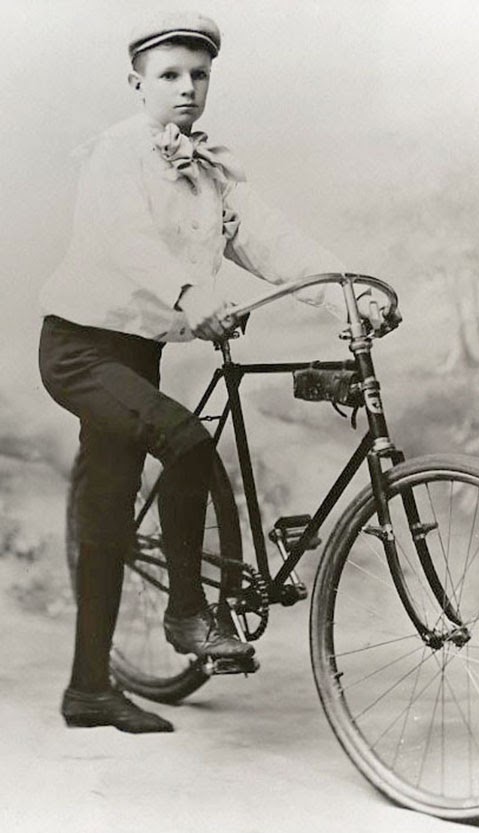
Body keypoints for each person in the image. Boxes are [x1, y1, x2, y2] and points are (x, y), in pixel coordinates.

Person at [38, 11, 368, 734]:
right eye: (170, 75)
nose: (187, 88)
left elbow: (275, 241)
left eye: (199, 74)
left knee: (110, 513)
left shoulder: (212, 170)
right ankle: (189, 610)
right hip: (80, 349)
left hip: (137, 353)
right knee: (186, 439)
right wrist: (195, 297)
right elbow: (127, 242)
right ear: (138, 83)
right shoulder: (115, 154)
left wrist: (349, 289)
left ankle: (89, 689)